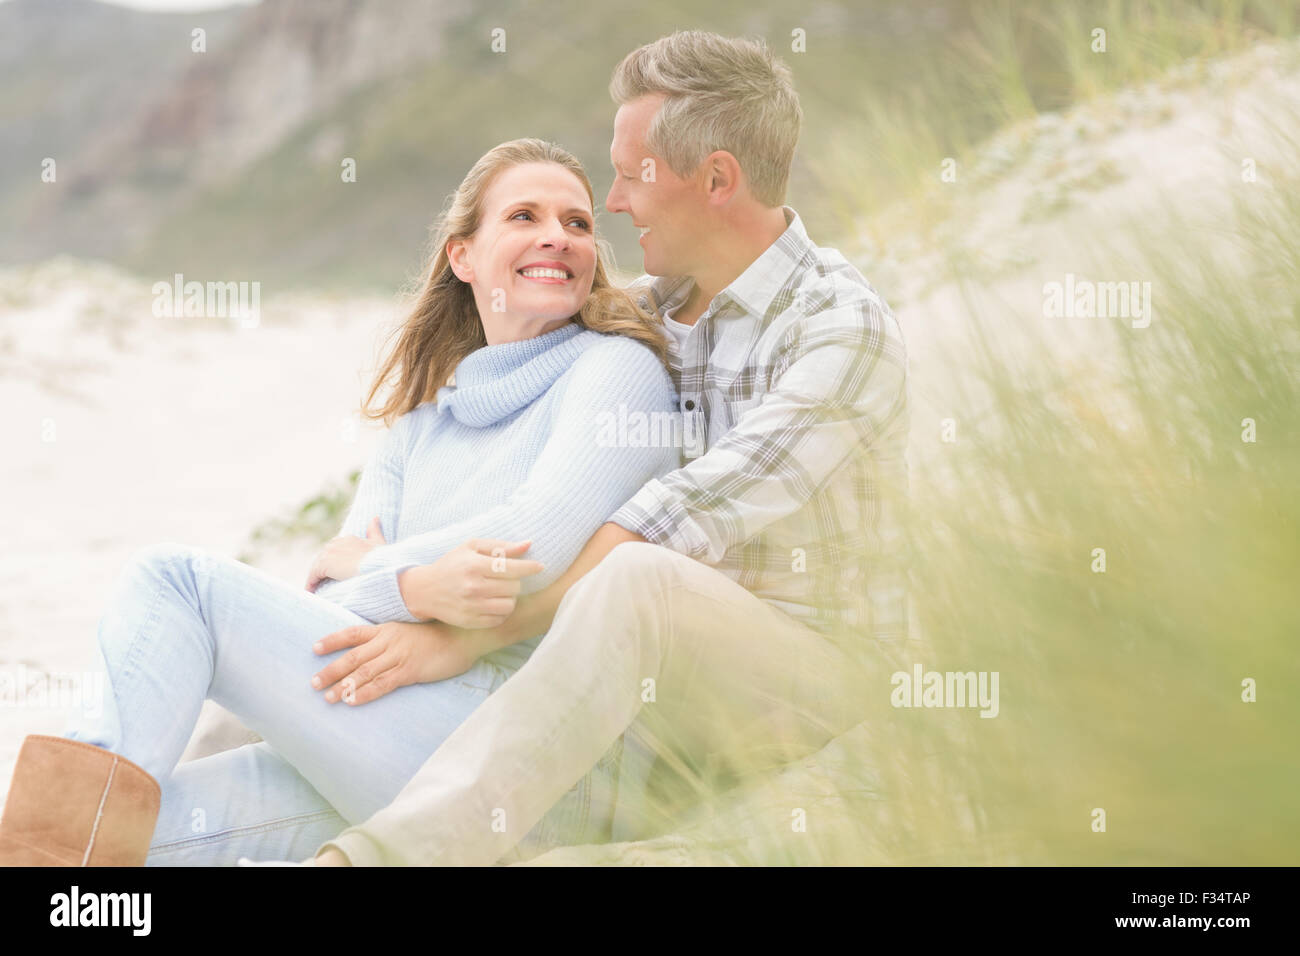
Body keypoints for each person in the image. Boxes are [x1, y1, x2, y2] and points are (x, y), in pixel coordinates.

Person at [297, 29, 912, 867]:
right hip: (640, 680)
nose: (615, 201)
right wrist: (386, 557)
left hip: (803, 685)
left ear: (718, 179)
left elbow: (659, 532)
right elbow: (504, 382)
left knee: (638, 574)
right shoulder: (647, 315)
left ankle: (385, 859)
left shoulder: (841, 328)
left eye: (631, 174)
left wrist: (461, 635)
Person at [0, 138, 680, 866]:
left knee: (177, 585)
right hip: (392, 749)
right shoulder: (423, 424)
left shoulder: (616, 371)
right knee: (117, 842)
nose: (557, 236)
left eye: (577, 223)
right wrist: (417, 584)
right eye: (525, 215)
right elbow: (330, 593)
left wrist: (383, 571)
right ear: (463, 257)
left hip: (543, 765)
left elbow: (524, 548)